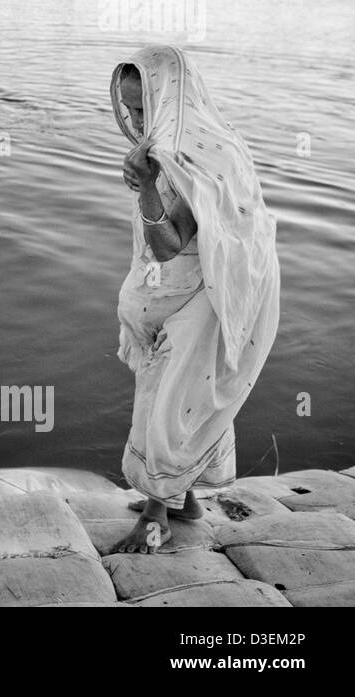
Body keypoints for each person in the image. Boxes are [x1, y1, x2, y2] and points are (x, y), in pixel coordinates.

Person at [110, 46, 279, 554]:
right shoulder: (182, 142)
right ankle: (185, 501)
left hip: (211, 294)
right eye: (131, 109)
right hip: (191, 288)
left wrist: (145, 190)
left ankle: (158, 515)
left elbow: (169, 245)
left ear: (170, 97)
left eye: (144, 108)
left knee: (171, 397)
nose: (138, 121)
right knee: (177, 390)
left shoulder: (194, 153)